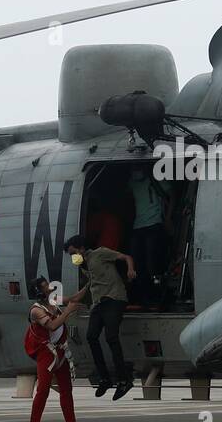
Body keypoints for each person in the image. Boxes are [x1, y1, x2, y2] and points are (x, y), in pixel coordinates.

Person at [64, 234, 137, 400]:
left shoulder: (100, 253)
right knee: (91, 336)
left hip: (114, 299)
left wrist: (130, 269)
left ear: (81, 248)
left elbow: (126, 257)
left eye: (73, 253)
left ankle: (124, 380)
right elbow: (89, 285)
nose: (73, 257)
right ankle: (105, 378)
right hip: (98, 303)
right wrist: (70, 299)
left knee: (111, 337)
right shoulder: (84, 267)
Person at [25, 277, 84, 422]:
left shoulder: (53, 300)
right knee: (43, 390)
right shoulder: (36, 310)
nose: (50, 288)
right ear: (38, 291)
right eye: (45, 287)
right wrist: (68, 311)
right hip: (46, 352)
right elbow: (52, 325)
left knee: (66, 389)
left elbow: (73, 298)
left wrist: (89, 283)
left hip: (60, 351)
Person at [127, 167, 169, 307]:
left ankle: (156, 295)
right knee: (138, 263)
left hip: (154, 223)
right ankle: (143, 296)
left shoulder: (157, 179)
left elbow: (171, 194)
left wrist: (168, 218)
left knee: (153, 262)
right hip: (138, 226)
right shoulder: (132, 182)